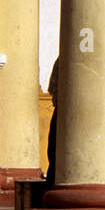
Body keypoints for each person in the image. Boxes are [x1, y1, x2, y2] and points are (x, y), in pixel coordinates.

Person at [45, 57, 61, 187]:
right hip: (66, 112)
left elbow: (51, 89)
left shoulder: (61, 60)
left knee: (54, 153)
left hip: (59, 111)